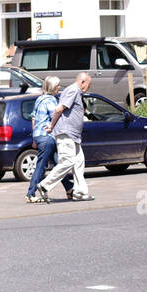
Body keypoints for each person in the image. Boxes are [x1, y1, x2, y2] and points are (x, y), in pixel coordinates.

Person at [36, 71, 94, 202]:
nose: (88, 88)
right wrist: (51, 126)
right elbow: (58, 109)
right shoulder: (73, 90)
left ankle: (80, 192)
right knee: (67, 162)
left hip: (73, 135)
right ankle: (44, 185)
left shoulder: (76, 92)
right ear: (82, 82)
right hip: (66, 133)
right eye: (88, 85)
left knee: (79, 162)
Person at [25, 76, 74, 202]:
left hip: (39, 135)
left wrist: (35, 139)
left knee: (58, 165)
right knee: (41, 166)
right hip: (48, 137)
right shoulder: (51, 101)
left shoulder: (39, 99)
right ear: (52, 88)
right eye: (58, 86)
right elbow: (56, 115)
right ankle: (30, 193)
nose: (59, 88)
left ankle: (69, 189)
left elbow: (33, 118)